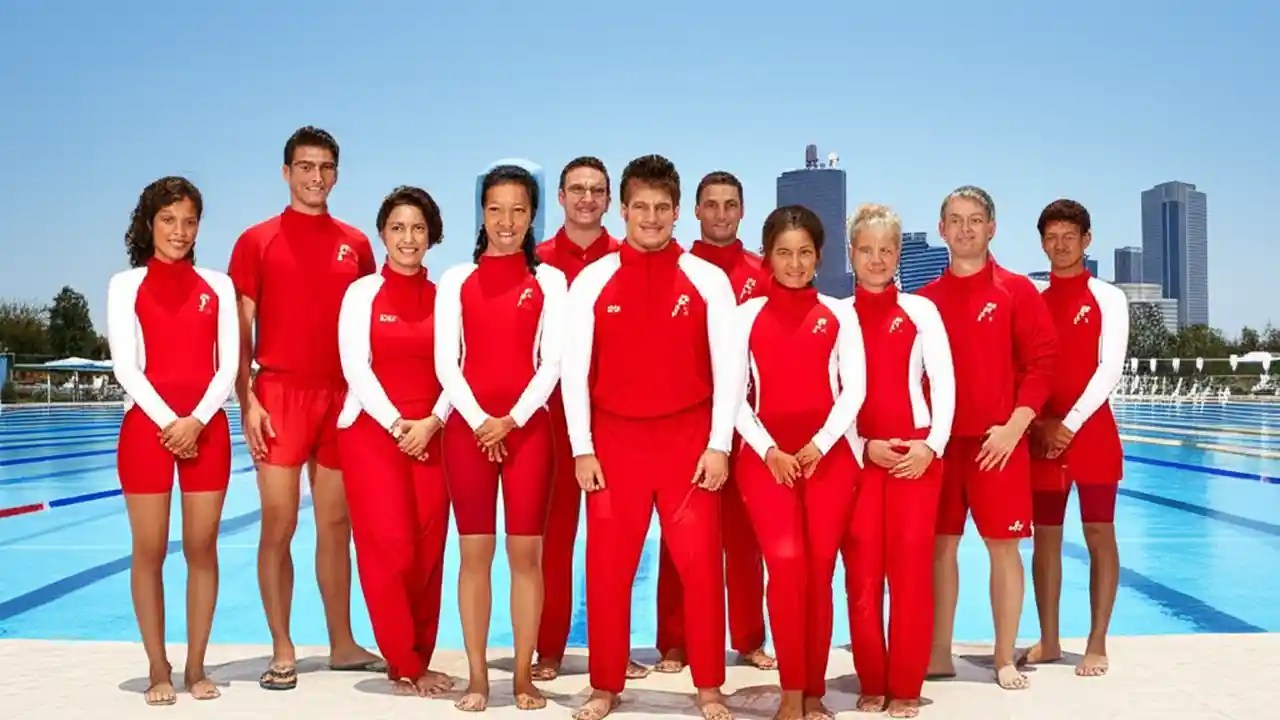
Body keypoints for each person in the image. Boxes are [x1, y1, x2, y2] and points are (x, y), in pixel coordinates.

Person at [563, 154, 740, 720]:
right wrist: (581, 446)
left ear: (677, 212)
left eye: (662, 208)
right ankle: (605, 684)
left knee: (700, 569)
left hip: (689, 441)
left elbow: (729, 369)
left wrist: (720, 445)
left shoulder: (707, 280)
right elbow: (573, 370)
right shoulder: (593, 280)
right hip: (614, 443)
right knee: (608, 571)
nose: (651, 217)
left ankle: (709, 685)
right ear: (623, 209)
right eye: (641, 206)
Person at [226, 126, 383, 690]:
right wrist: (246, 399)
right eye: (305, 166)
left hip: (340, 400)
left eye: (326, 167)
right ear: (287, 171)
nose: (316, 177)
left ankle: (342, 643)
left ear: (336, 173)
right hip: (280, 395)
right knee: (280, 523)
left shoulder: (357, 244)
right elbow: (238, 328)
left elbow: (370, 324)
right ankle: (283, 646)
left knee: (336, 525)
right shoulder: (256, 240)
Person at [435, 164, 568, 711]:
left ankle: (520, 677)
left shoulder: (549, 281)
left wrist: (509, 420)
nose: (506, 221)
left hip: (528, 432)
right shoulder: (456, 280)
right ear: (481, 213)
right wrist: (480, 419)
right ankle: (476, 678)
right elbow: (448, 362)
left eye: (518, 209)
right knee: (473, 557)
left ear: (533, 214)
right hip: (468, 433)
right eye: (495, 209)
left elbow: (551, 362)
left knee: (526, 558)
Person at [917, 186, 1057, 690]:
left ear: (992, 227)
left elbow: (1042, 366)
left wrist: (1015, 425)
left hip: (999, 442)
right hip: (940, 446)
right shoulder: (924, 302)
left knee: (1004, 548)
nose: (965, 229)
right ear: (941, 230)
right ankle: (937, 652)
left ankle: (1002, 657)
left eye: (975, 220)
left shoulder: (1016, 291)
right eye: (955, 220)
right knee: (938, 548)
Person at [731, 205, 865, 720]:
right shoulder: (746, 317)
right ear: (766, 257)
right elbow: (734, 395)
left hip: (827, 460)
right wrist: (769, 450)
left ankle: (813, 691)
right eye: (783, 253)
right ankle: (790, 692)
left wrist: (820, 445)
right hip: (766, 460)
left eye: (804, 253)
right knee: (785, 567)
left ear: (819, 257)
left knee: (818, 573)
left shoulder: (839, 314)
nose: (794, 263)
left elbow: (854, 391)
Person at [107, 176, 238, 705]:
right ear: (148, 224)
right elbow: (126, 367)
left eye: (188, 221)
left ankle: (195, 664)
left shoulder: (218, 285)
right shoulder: (126, 284)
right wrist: (171, 423)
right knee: (150, 549)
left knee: (202, 548)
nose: (179, 231)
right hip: (148, 429)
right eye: (168, 220)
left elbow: (227, 364)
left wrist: (197, 421)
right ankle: (157, 666)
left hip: (207, 429)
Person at [334, 186, 455, 697]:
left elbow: (459, 366)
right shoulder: (362, 293)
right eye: (398, 228)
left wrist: (432, 421)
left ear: (432, 236)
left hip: (435, 433)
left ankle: (419, 658)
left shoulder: (447, 295)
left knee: (429, 552)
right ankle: (403, 662)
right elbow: (354, 365)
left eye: (418, 228)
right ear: (383, 234)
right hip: (374, 436)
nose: (408, 238)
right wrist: (399, 425)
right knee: (390, 552)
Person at [654, 171, 773, 675]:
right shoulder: (677, 268)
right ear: (695, 211)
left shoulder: (762, 271)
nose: (721, 213)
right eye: (712, 205)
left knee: (744, 536)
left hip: (746, 422)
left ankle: (747, 637)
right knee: (679, 535)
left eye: (730, 204)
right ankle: (674, 641)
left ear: (742, 211)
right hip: (685, 422)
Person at [844, 203, 955, 718]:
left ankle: (906, 685)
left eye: (886, 250)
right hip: (860, 459)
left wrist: (931, 446)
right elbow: (832, 393)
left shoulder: (921, 313)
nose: (876, 259)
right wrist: (862, 445)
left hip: (915, 457)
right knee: (863, 576)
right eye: (866, 249)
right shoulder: (837, 315)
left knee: (910, 577)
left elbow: (945, 386)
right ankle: (872, 677)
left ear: (898, 255)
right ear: (852, 254)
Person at [529, 156, 632, 682]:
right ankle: (549, 647)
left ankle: (615, 649)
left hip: (616, 420)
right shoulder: (537, 260)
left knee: (615, 542)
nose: (587, 199)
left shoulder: (628, 256)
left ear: (609, 201)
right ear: (562, 198)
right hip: (550, 419)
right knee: (556, 537)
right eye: (577, 190)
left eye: (596, 191)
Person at [1021, 199, 1128, 677]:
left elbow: (1109, 367)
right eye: (1051, 237)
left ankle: (1097, 641)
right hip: (1042, 434)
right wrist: (1041, 424)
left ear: (1087, 241)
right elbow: (1023, 366)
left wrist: (1071, 422)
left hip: (1091, 434)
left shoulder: (1108, 297)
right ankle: (1047, 640)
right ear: (1042, 242)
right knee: (1045, 539)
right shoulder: (1033, 298)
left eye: (1069, 236)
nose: (1060, 245)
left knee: (1099, 533)